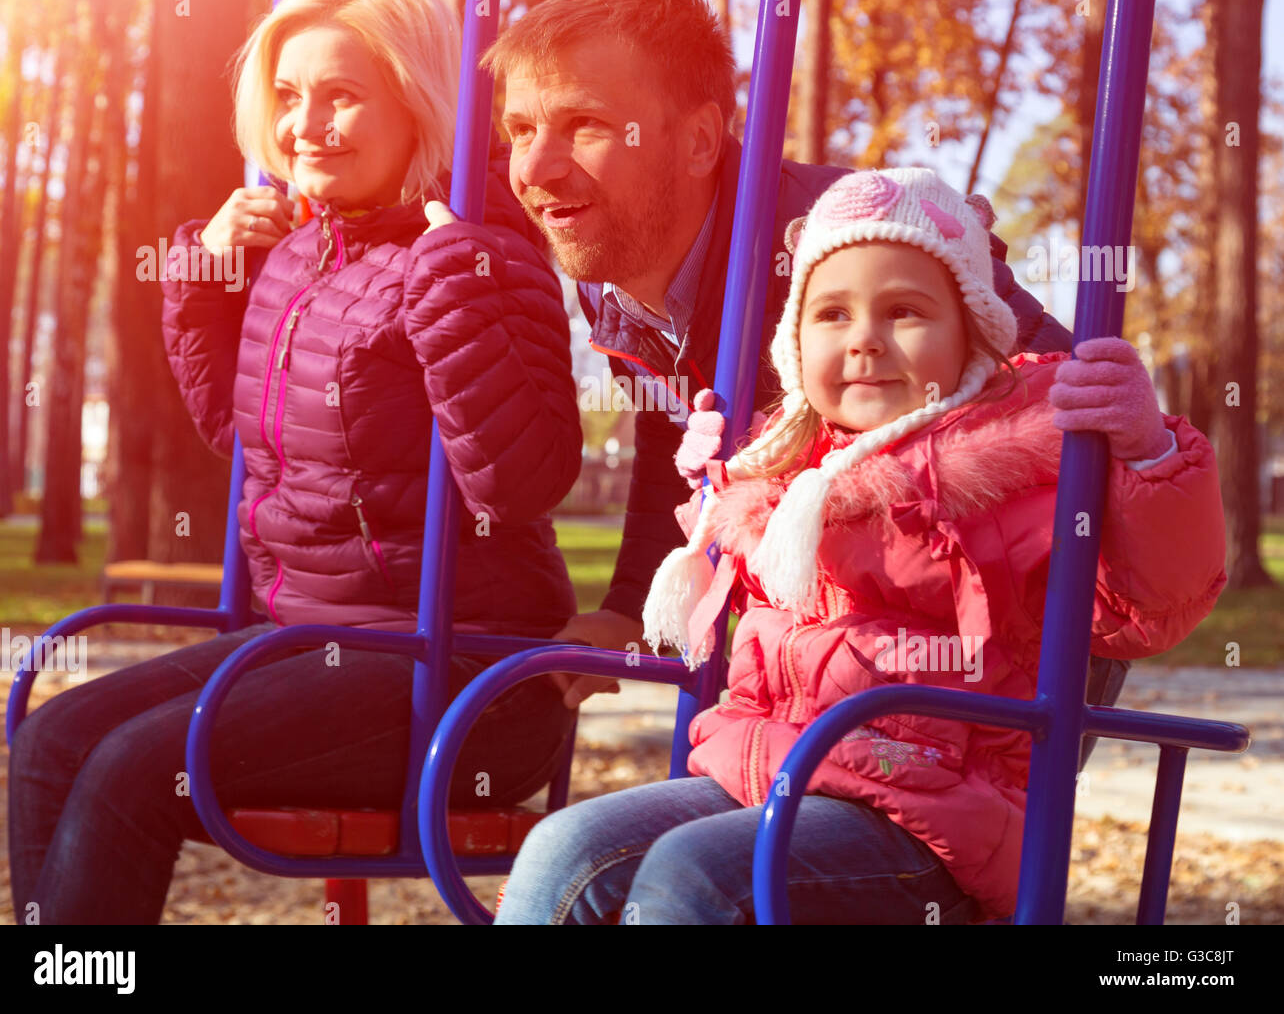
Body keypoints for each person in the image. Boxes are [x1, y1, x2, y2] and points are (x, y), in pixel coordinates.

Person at [494, 168, 1227, 924]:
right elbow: (750, 619)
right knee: (564, 848)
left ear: (970, 334)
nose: (865, 339)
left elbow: (1148, 606)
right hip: (772, 767)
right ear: (797, 340)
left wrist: (1147, 455)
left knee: (695, 880)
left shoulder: (1021, 468)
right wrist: (717, 492)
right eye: (832, 314)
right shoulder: (787, 474)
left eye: (904, 311)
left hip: (930, 814)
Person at [8, 0, 582, 924]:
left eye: (342, 96)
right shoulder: (299, 255)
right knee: (53, 735)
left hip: (466, 674)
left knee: (132, 768)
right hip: (309, 643)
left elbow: (522, 483)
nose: (306, 123)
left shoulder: (483, 253)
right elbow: (248, 442)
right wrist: (210, 281)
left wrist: (454, 294)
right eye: (287, 96)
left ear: (418, 107)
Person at [477, 0, 1130, 727]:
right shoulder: (614, 271)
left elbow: (1049, 397)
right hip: (839, 639)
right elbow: (679, 437)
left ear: (697, 140)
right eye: (521, 129)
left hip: (994, 631)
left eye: (583, 124)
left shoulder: (850, 241)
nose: (534, 169)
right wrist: (630, 609)